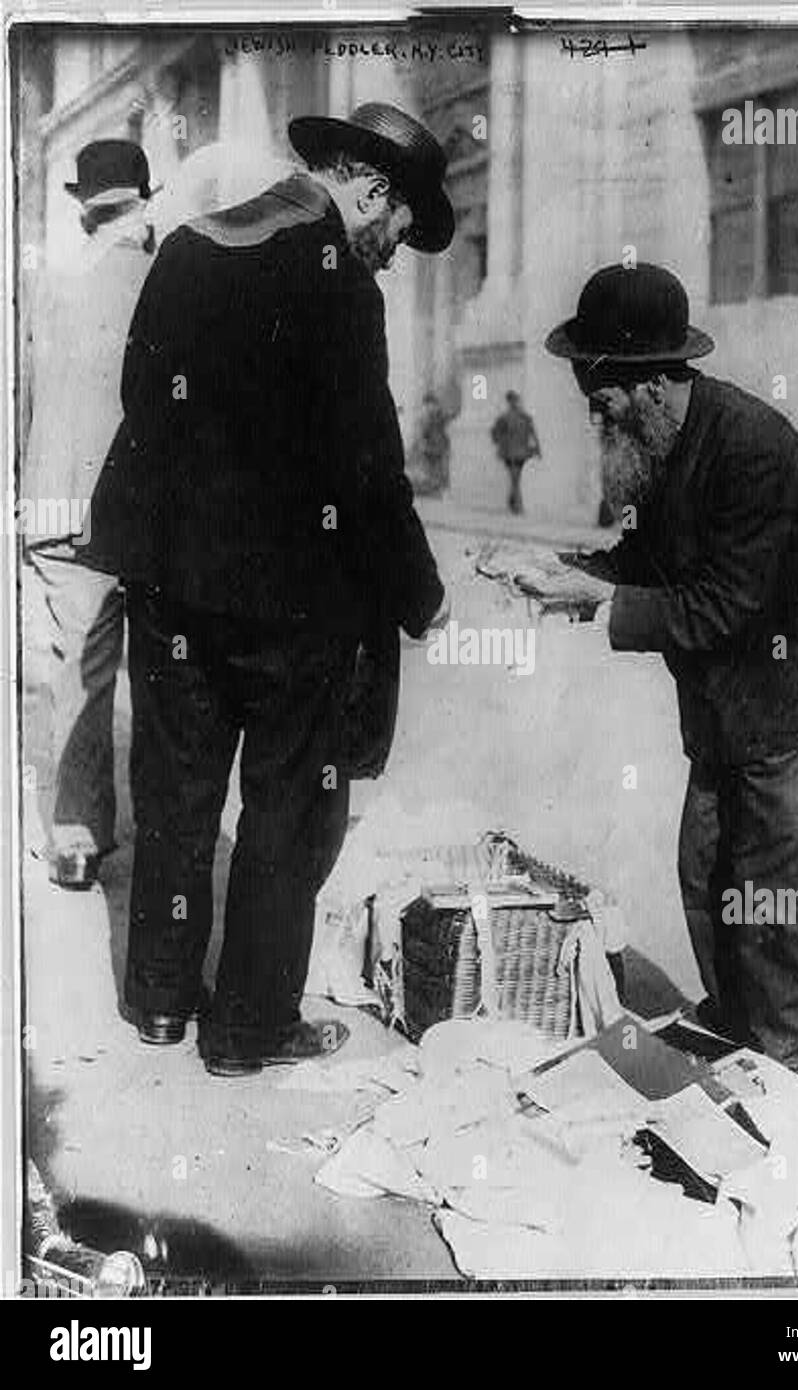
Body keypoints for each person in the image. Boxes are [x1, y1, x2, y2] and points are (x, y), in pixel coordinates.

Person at [83, 104, 452, 1076]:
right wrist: (421, 595)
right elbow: (368, 469)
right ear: (371, 191)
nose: (393, 251)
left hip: (170, 579)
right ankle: (247, 1030)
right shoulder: (341, 286)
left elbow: (140, 398)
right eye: (399, 228)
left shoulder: (190, 247)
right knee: (289, 805)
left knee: (176, 788)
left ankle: (159, 999)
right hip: (287, 601)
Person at [547, 264, 798, 1092]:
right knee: (706, 874)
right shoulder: (662, 443)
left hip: (788, 708)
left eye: (603, 401)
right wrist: (563, 576)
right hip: (725, 711)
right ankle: (738, 1027)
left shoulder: (753, 447)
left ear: (653, 384)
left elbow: (721, 605)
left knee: (772, 901)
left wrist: (603, 603)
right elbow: (647, 562)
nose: (595, 417)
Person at [22, 140, 157, 889]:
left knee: (80, 671)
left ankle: (77, 839)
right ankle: (167, 837)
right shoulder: (162, 276)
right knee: (167, 676)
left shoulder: (53, 284)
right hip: (146, 507)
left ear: (85, 208)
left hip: (60, 505)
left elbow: (26, 394)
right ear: (143, 206)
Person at [491, 390, 540, 514]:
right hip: (512, 453)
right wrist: (501, 443)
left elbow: (533, 433)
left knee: (515, 478)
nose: (514, 403)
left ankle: (513, 502)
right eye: (512, 401)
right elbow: (495, 434)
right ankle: (517, 505)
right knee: (515, 478)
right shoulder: (507, 418)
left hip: (518, 453)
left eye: (514, 400)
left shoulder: (521, 417)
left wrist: (537, 448)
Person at [408, 390, 451, 496]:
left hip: (431, 444)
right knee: (433, 467)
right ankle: (434, 486)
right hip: (434, 444)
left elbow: (420, 432)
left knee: (430, 467)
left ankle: (432, 485)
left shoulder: (424, 412)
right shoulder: (433, 412)